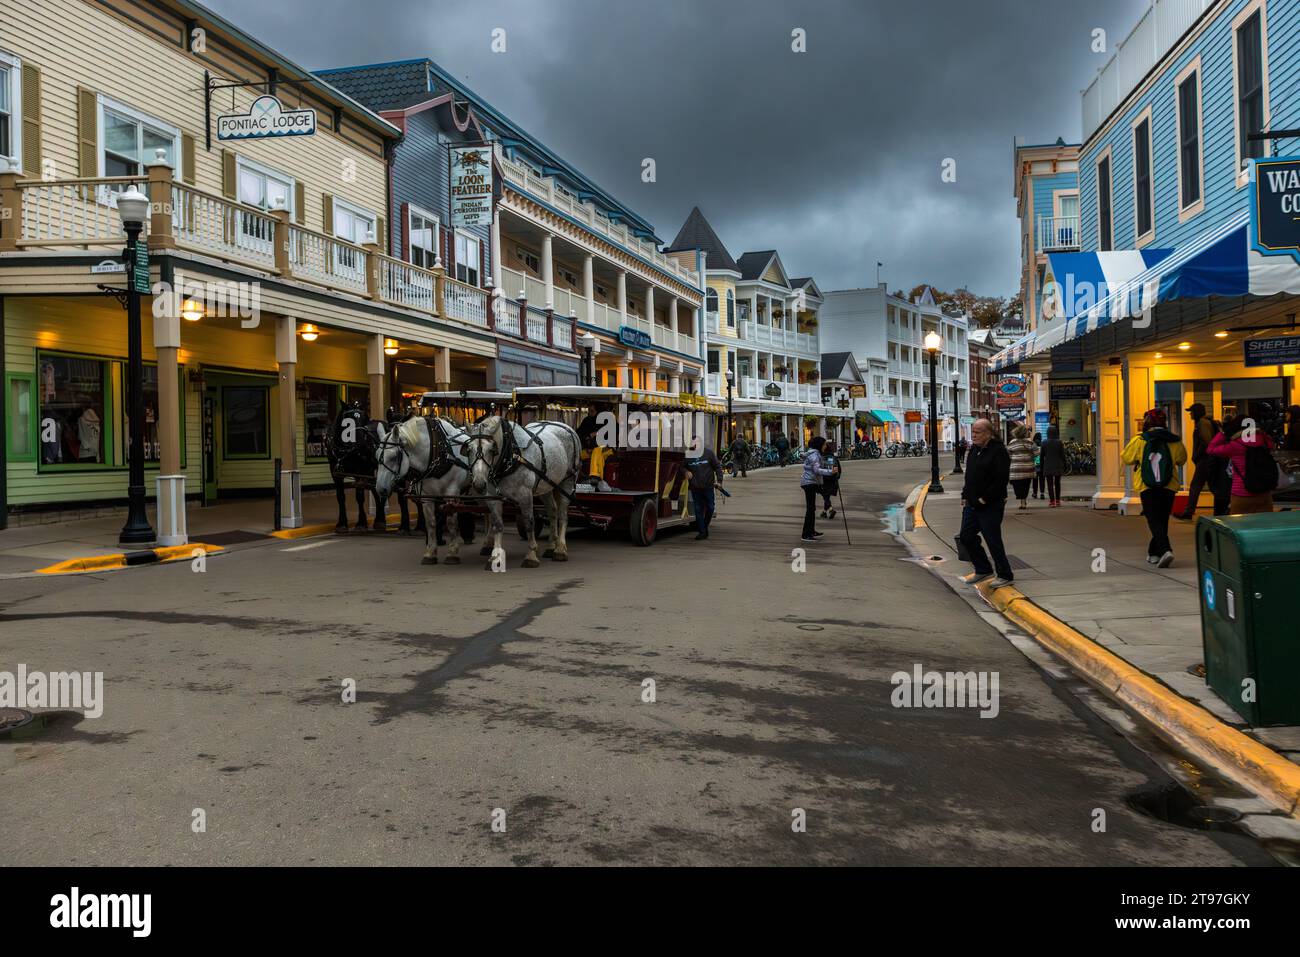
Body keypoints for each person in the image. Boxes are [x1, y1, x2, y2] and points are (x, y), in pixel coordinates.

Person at [1121, 409, 1187, 568]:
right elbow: (1182, 459)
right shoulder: (1174, 440)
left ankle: (1165, 550)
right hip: (1169, 485)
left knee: (1153, 519)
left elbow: (1126, 457)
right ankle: (1154, 553)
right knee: (1162, 519)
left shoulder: (1140, 440)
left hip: (1147, 485)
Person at [958, 418, 1014, 586]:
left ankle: (1005, 575)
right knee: (966, 537)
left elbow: (1001, 480)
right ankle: (983, 569)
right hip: (971, 504)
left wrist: (984, 499)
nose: (973, 435)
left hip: (991, 504)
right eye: (973, 432)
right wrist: (964, 495)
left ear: (988, 433)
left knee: (992, 539)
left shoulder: (998, 451)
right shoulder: (974, 450)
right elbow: (970, 476)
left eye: (978, 432)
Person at [1208, 415, 1277, 514]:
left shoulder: (1235, 445)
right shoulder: (1265, 441)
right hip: (1264, 492)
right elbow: (1271, 444)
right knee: (1263, 526)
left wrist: (1224, 432)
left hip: (1241, 493)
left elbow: (1210, 449)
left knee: (1239, 526)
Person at [1177, 403, 1229, 519]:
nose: (1190, 414)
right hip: (1209, 460)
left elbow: (1207, 442)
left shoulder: (1202, 423)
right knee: (1213, 486)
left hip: (1205, 460)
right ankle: (1224, 509)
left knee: (1196, 485)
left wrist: (1197, 456)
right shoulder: (1206, 422)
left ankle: (1188, 512)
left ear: (1197, 412)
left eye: (1192, 411)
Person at [684, 442, 724, 540]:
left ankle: (704, 527)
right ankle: (702, 532)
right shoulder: (688, 455)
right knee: (698, 510)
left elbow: (718, 467)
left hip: (708, 487)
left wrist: (719, 481)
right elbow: (682, 466)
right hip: (695, 487)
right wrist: (685, 471)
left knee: (710, 508)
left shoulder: (709, 453)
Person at [799, 436, 835, 542]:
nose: (825, 446)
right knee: (810, 509)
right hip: (809, 483)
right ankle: (806, 534)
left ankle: (811, 531)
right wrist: (830, 472)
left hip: (811, 482)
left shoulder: (815, 454)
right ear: (819, 445)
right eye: (824, 444)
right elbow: (816, 470)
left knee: (812, 508)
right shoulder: (814, 455)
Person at [1007, 425, 1037, 510]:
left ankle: (1021, 499)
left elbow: (1008, 454)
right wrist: (1030, 456)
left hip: (1015, 469)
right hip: (1028, 468)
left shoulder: (1012, 442)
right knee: (1025, 485)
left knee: (1017, 485)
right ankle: (1023, 501)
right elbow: (1037, 452)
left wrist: (1014, 457)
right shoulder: (1030, 442)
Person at [1038, 425, 1066, 507]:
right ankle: (1058, 500)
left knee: (1049, 484)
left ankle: (1052, 501)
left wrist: (1041, 466)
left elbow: (1041, 456)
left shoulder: (1044, 442)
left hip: (1048, 465)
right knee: (1057, 483)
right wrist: (1065, 464)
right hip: (1058, 464)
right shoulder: (1059, 442)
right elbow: (1062, 455)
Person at [819, 441, 841, 519]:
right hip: (832, 480)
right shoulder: (834, 458)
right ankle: (824, 512)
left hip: (824, 480)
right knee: (826, 496)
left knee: (825, 496)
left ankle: (831, 510)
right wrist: (836, 477)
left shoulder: (821, 458)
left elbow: (819, 470)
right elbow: (839, 470)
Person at [1030, 431, 1044, 500]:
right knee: (1042, 479)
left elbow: (1031, 454)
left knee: (1035, 480)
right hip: (1042, 464)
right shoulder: (1043, 444)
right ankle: (1042, 493)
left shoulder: (1033, 445)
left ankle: (1035, 493)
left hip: (1035, 464)